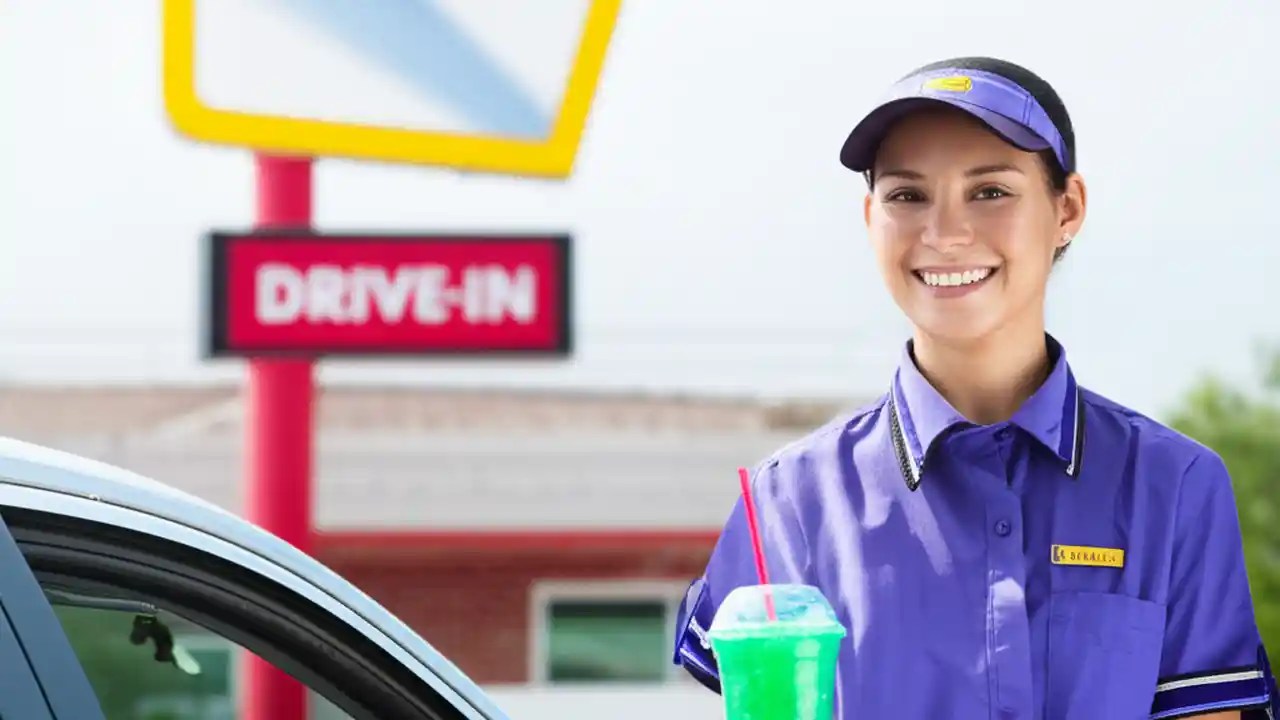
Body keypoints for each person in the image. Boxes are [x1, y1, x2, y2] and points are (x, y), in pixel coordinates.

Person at [672, 56, 1277, 719]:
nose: (946, 234)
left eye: (990, 191)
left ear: (1067, 209)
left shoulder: (1177, 485)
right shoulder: (786, 502)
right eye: (907, 196)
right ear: (870, 216)